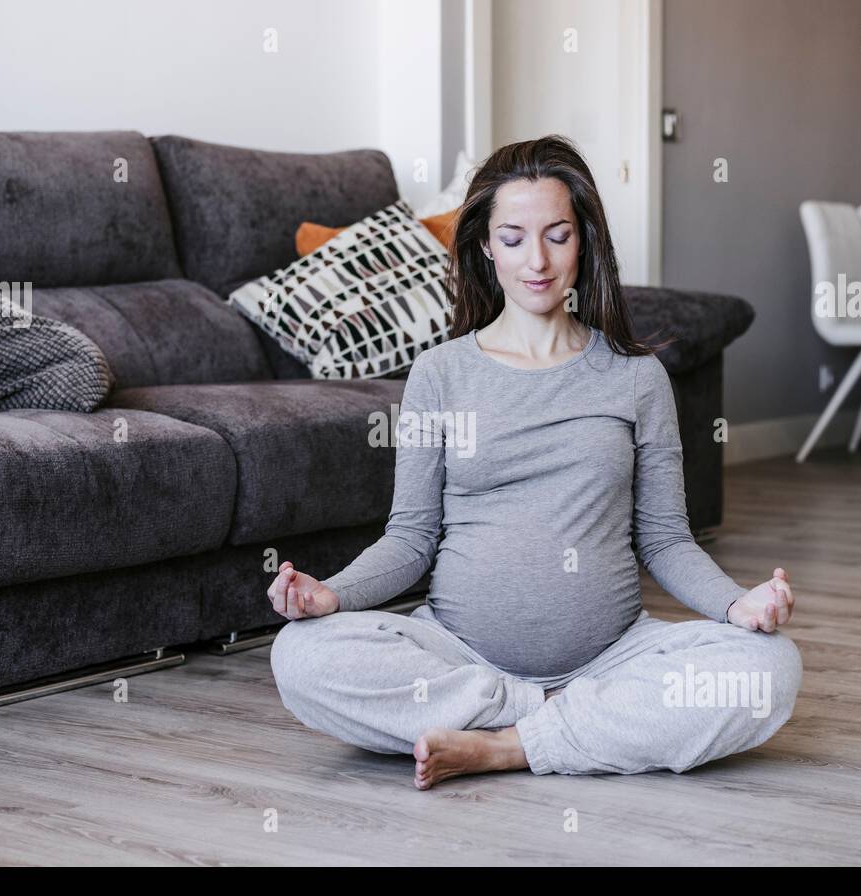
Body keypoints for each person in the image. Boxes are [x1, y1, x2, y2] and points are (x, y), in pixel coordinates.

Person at [267, 134, 800, 790]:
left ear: (585, 241)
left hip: (611, 656)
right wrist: (332, 594)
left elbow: (664, 541)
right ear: (486, 246)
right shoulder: (439, 374)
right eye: (514, 238)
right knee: (301, 654)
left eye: (558, 235)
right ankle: (554, 722)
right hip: (462, 657)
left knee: (770, 671)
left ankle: (505, 747)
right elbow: (410, 539)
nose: (538, 261)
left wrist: (736, 604)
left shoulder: (636, 377)